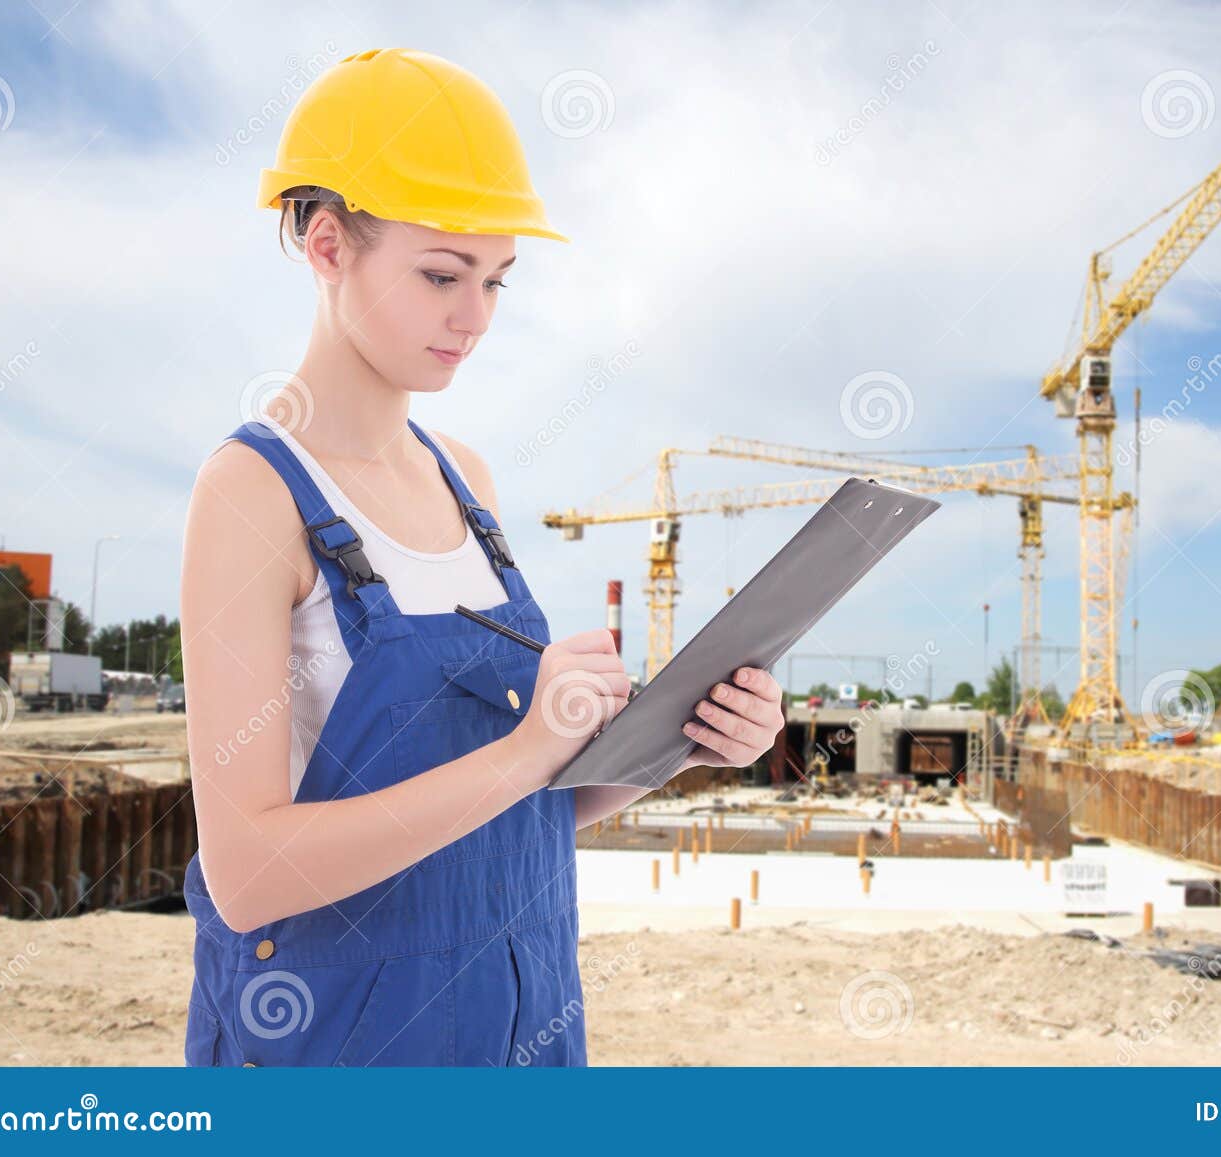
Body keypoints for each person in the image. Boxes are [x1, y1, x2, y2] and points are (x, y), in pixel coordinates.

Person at [178, 49, 783, 1067]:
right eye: (440, 275)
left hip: (522, 1027)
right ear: (328, 245)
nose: (476, 316)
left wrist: (681, 739)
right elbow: (247, 870)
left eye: (498, 278)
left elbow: (522, 813)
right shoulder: (250, 493)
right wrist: (519, 750)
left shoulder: (468, 480)